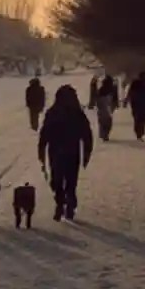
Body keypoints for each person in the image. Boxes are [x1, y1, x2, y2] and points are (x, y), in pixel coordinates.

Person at [38, 84, 93, 221]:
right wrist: (86, 153)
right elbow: (87, 135)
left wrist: (41, 152)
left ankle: (63, 203)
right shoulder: (74, 113)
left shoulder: (55, 112)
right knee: (69, 181)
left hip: (58, 152)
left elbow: (44, 134)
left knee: (59, 181)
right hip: (69, 152)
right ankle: (66, 203)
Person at [125, 71, 145, 141]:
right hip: (142, 104)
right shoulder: (144, 84)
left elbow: (130, 92)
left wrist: (126, 100)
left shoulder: (137, 83)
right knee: (141, 119)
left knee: (138, 119)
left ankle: (139, 132)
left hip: (137, 104)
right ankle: (140, 133)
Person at [95, 73, 120, 141]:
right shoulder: (112, 90)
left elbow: (97, 100)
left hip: (102, 109)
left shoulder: (101, 90)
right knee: (108, 122)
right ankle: (105, 134)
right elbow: (115, 99)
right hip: (108, 109)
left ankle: (103, 134)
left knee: (102, 122)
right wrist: (115, 105)